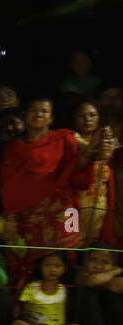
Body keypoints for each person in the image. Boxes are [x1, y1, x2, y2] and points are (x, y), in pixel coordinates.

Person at [0, 98, 104, 286]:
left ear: (51, 118)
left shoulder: (65, 138)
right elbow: (9, 184)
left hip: (64, 211)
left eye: (44, 111)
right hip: (30, 214)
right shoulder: (14, 148)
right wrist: (10, 218)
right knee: (34, 264)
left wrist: (91, 152)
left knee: (68, 260)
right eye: (34, 110)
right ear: (25, 115)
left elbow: (77, 167)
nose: (39, 114)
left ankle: (69, 305)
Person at [10, 252, 81, 325]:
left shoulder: (65, 289)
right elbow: (25, 315)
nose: (53, 269)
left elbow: (67, 314)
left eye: (58, 266)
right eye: (48, 265)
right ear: (40, 267)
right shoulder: (31, 287)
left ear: (64, 269)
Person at [73, 99, 115, 247]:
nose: (87, 120)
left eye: (92, 115)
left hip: (100, 204)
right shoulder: (69, 141)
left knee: (98, 243)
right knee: (70, 242)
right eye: (81, 116)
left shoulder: (109, 143)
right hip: (72, 203)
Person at [75, 248, 123, 325]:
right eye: (93, 260)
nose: (98, 266)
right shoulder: (81, 273)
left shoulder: (119, 279)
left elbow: (118, 284)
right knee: (87, 291)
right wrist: (116, 271)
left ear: (113, 265)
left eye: (105, 262)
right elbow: (91, 281)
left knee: (112, 296)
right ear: (86, 262)